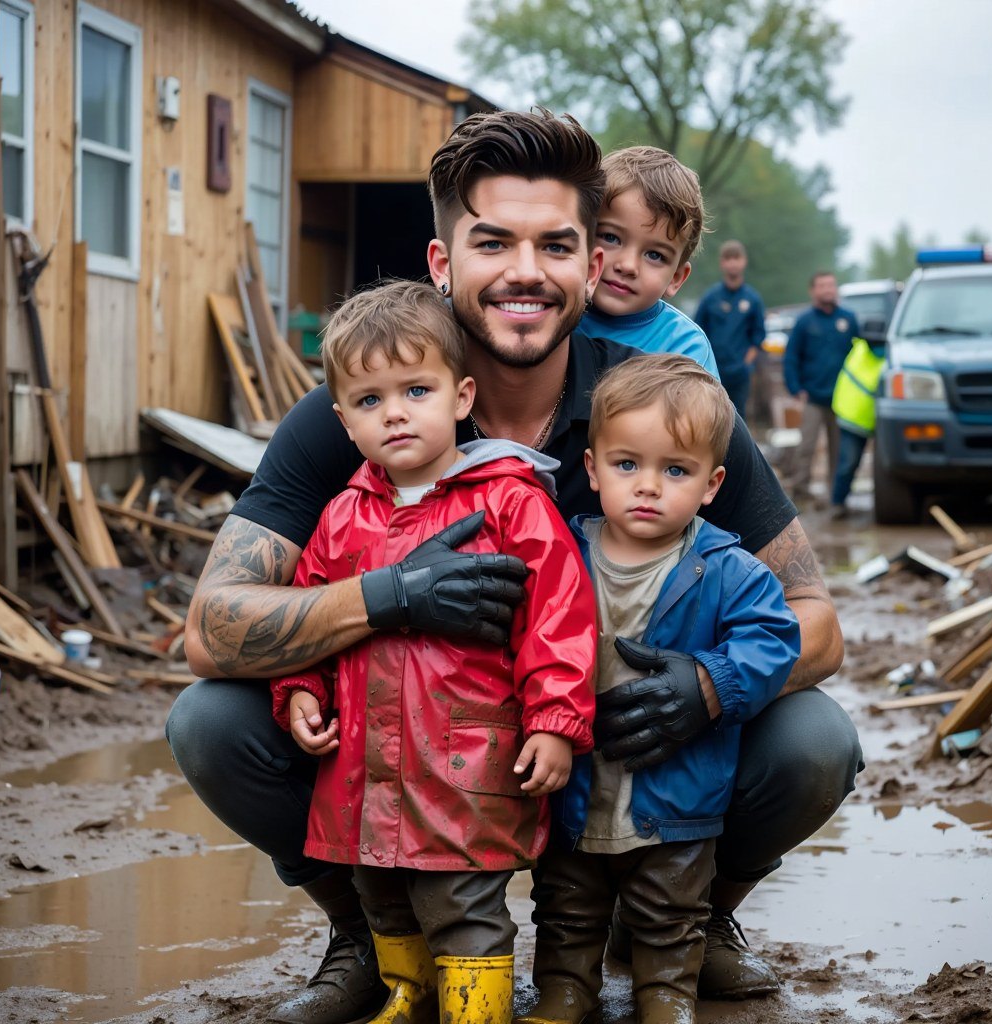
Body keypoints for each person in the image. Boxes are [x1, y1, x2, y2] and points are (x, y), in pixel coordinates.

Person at [166, 108, 862, 1024]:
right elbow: (211, 631)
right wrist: (387, 596)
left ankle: (684, 922)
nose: (526, 271)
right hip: (411, 752)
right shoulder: (366, 412)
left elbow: (818, 624)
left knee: (814, 743)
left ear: (591, 265)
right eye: (493, 242)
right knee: (211, 723)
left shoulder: (662, 411)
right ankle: (368, 936)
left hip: (622, 755)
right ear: (443, 262)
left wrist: (705, 687)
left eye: (556, 245)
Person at [268, 280, 597, 1024]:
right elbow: (309, 613)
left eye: (416, 390)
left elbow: (559, 617)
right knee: (379, 889)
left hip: (464, 757)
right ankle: (408, 995)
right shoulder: (341, 516)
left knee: (461, 896)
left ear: (461, 396)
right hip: (364, 760)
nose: (395, 412)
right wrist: (303, 688)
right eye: (370, 399)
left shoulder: (509, 501)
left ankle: (476, 1010)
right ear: (344, 420)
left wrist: (554, 720)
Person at [518, 355, 800, 1024]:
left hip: (676, 789)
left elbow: (774, 641)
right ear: (592, 470)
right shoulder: (561, 554)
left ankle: (666, 998)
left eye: (675, 471)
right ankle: (565, 991)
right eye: (627, 465)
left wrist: (712, 681)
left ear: (712, 484)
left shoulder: (727, 569)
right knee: (566, 903)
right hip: (577, 783)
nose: (647, 486)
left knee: (671, 909)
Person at [578, 146, 719, 377]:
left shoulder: (684, 349)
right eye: (610, 237)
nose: (628, 266)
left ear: (676, 278)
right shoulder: (555, 313)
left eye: (655, 255)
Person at [782, 272, 860, 505]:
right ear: (813, 291)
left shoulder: (848, 320)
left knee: (839, 450)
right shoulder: (804, 322)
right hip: (812, 396)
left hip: (842, 399)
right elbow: (791, 357)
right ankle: (800, 491)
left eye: (831, 285)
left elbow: (860, 355)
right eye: (822, 285)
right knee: (806, 447)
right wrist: (795, 388)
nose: (828, 289)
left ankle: (836, 496)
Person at [694, 240, 766, 418]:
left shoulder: (753, 299)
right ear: (722, 263)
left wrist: (745, 364)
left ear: (744, 261)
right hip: (712, 371)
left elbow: (758, 337)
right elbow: (697, 332)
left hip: (740, 373)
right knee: (712, 417)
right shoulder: (710, 298)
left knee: (738, 419)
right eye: (728, 258)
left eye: (737, 258)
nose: (733, 263)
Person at [829, 325, 887, 520]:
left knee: (886, 467)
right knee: (848, 463)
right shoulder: (859, 351)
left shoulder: (893, 356)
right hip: (853, 418)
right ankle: (838, 503)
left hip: (882, 421)